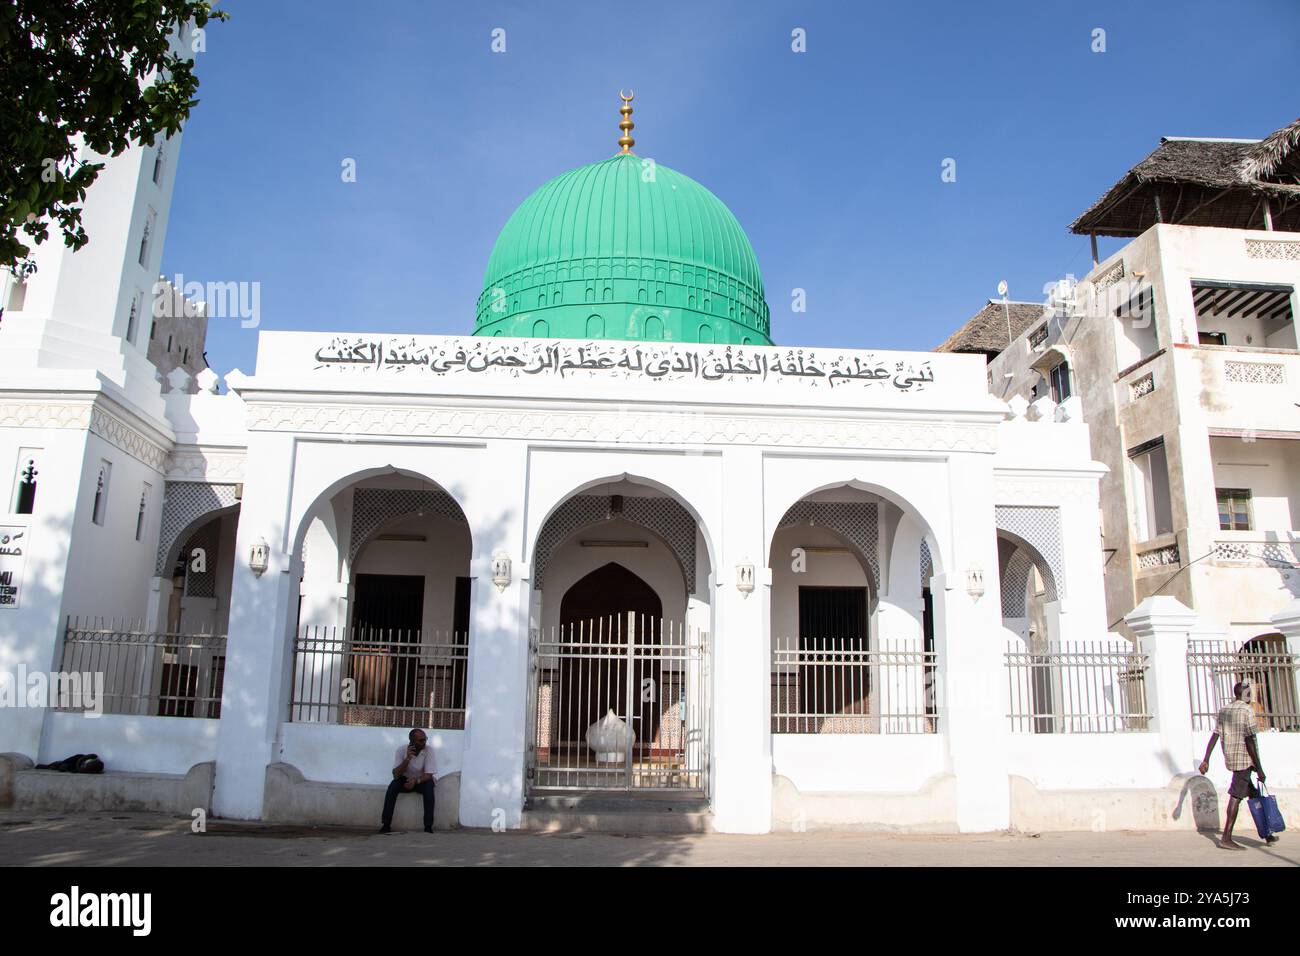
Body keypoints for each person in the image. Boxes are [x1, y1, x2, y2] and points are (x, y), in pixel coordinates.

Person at [1198, 681, 1278, 850]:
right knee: (1236, 795)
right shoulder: (1247, 710)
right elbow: (1249, 739)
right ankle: (1226, 837)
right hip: (1244, 760)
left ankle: (1267, 834)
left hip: (1232, 759)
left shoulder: (1224, 710)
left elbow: (1215, 736)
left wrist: (1206, 759)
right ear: (1246, 694)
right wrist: (1259, 767)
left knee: (1254, 794)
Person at [380, 728, 436, 834]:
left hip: (421, 780)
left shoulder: (429, 750)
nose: (424, 742)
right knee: (393, 786)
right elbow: (396, 775)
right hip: (404, 779)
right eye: (421, 740)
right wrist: (407, 759)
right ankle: (386, 824)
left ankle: (428, 826)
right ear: (412, 741)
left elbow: (429, 774)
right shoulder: (401, 750)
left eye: (425, 739)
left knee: (429, 787)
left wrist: (416, 781)